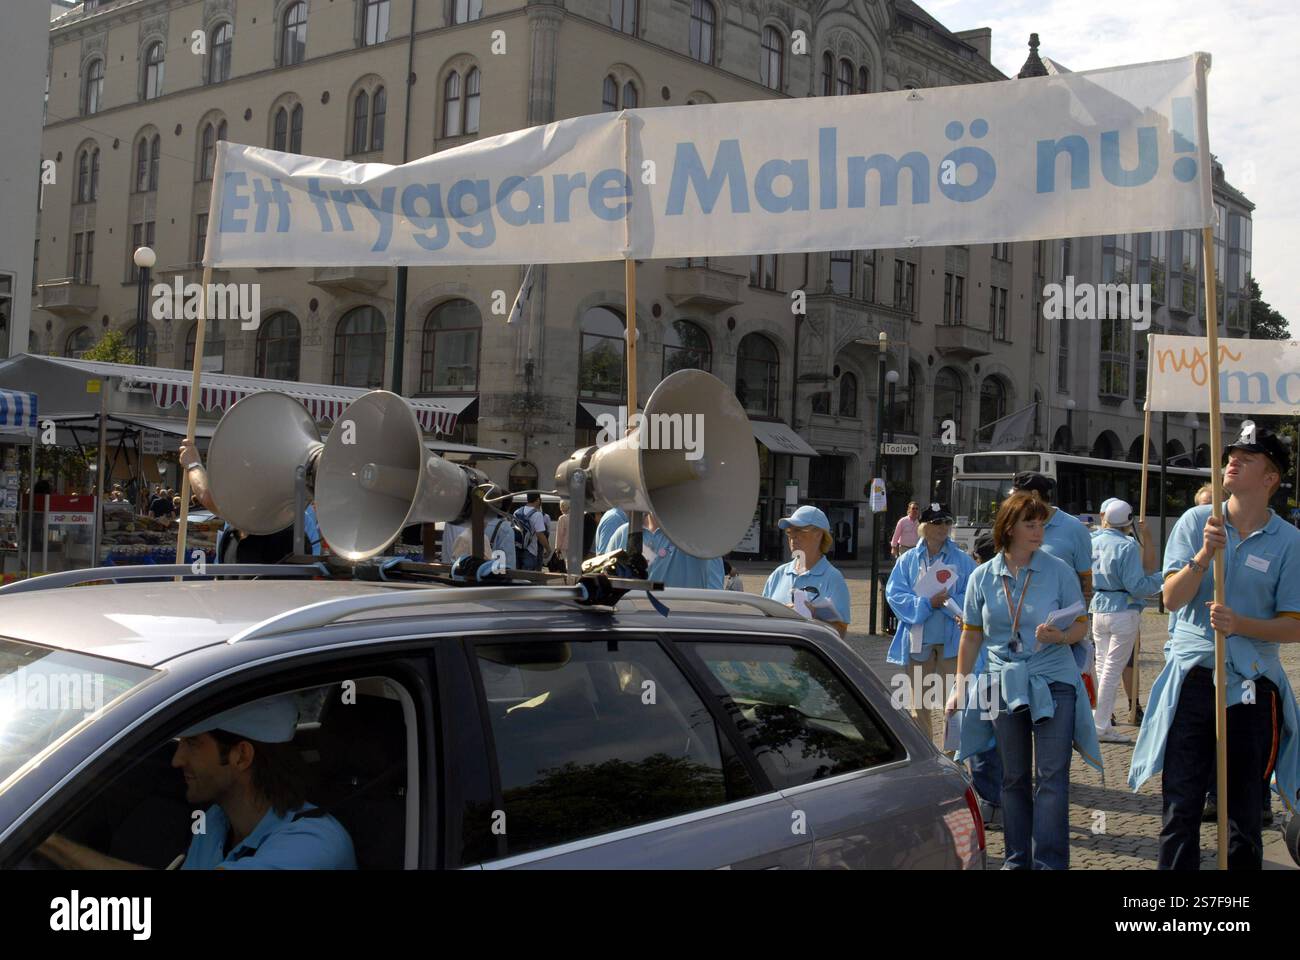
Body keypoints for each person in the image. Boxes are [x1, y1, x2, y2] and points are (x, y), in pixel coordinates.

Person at [1129, 424, 1300, 870]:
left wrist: (1240, 624)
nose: (1233, 460)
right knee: (1181, 805)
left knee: (1244, 813)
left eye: (1248, 456)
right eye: (1231, 454)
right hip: (1194, 682)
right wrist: (1203, 555)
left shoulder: (1290, 542)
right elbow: (1170, 599)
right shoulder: (1195, 521)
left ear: (1270, 478)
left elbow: (1294, 627)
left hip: (1252, 688)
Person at [949, 491, 1100, 870]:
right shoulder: (982, 576)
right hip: (1003, 682)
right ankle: (1017, 860)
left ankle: (1049, 863)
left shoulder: (1059, 571)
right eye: (1030, 525)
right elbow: (971, 634)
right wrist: (960, 685)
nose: (1038, 532)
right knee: (1013, 778)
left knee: (1051, 777)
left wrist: (1063, 636)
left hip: (1054, 681)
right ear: (1009, 528)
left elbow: (1081, 623)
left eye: (1041, 525)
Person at [36, 696, 356, 870]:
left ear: (241, 756)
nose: (176, 760)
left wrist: (41, 838)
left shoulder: (314, 846)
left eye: (191, 743)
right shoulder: (216, 822)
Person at [886, 504, 976, 748]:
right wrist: (926, 603)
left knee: (954, 699)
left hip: (952, 641)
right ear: (924, 527)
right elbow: (894, 595)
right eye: (937, 523)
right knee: (918, 702)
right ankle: (925, 751)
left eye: (947, 522)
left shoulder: (962, 559)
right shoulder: (907, 560)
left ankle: (952, 751)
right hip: (919, 641)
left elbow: (975, 593)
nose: (943, 528)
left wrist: (950, 602)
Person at [1090, 498, 1162, 744]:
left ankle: (1097, 721)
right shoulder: (1127, 545)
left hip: (1098, 608)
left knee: (1101, 667)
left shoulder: (1093, 540)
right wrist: (1165, 578)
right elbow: (1137, 586)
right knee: (1111, 670)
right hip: (1123, 609)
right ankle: (1100, 725)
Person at [1012, 471, 1095, 681]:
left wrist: (1078, 625)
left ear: (1034, 495)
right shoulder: (1014, 524)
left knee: (1064, 685)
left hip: (1059, 629)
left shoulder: (1074, 529)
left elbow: (1086, 578)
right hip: (1020, 625)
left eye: (1017, 496)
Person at [761, 505, 851, 638]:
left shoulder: (833, 578)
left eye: (799, 530)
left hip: (807, 658)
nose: (793, 536)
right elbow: (762, 620)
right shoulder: (778, 574)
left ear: (819, 534)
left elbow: (840, 633)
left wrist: (811, 617)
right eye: (789, 531)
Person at [608, 512, 724, 590]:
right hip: (636, 624)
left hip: (680, 624)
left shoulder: (700, 537)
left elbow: (715, 596)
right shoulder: (622, 534)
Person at [513, 493, 550, 571]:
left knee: (517, 577)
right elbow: (540, 535)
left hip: (516, 550)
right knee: (528, 579)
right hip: (530, 551)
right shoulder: (537, 514)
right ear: (537, 500)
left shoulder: (517, 512)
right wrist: (548, 549)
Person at [550, 500, 570, 572]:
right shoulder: (577, 517)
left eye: (561, 506)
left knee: (567, 564)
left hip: (565, 545)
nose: (560, 508)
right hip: (576, 546)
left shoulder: (562, 518)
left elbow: (560, 534)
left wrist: (557, 548)